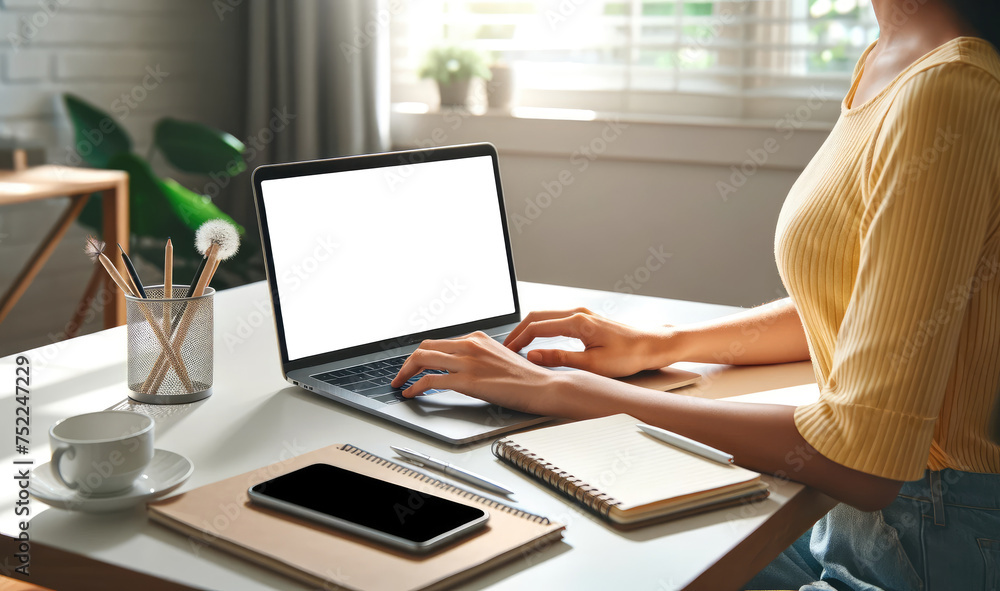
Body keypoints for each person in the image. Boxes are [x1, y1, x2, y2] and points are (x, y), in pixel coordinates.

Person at [391, 0, 1000, 588]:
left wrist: (561, 390)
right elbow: (865, 306)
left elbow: (864, 461)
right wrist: (661, 344)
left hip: (926, 541)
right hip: (864, 525)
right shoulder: (893, 57)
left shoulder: (948, 87)